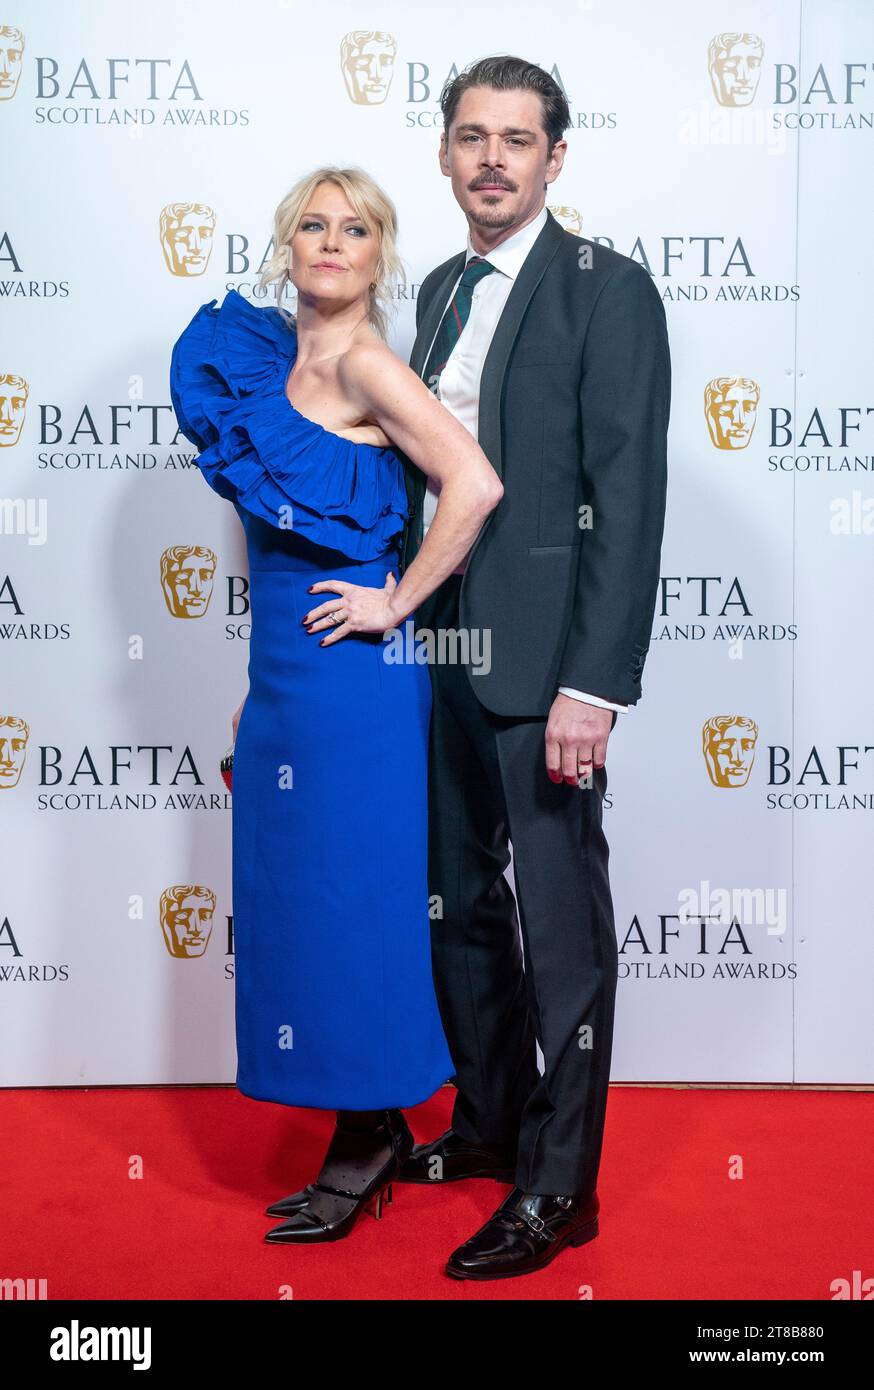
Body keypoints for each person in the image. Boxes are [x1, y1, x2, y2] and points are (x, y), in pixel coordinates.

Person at [168, 167, 503, 1244]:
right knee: (300, 902)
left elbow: (474, 482)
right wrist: (254, 688)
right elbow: (270, 531)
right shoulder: (271, 359)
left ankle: (369, 1133)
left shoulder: (363, 362)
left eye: (353, 228)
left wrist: (396, 601)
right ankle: (367, 1123)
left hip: (356, 687)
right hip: (287, 683)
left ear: (377, 255)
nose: (329, 241)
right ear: (286, 243)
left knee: (354, 904)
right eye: (311, 224)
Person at [392, 56, 671, 1280]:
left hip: (545, 665)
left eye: (517, 138)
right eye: (471, 137)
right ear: (446, 156)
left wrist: (592, 683)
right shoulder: (443, 287)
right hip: (442, 647)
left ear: (557, 157)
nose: (492, 158)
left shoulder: (605, 292)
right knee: (456, 903)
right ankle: (493, 1124)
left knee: (561, 930)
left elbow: (629, 495)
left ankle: (562, 1189)